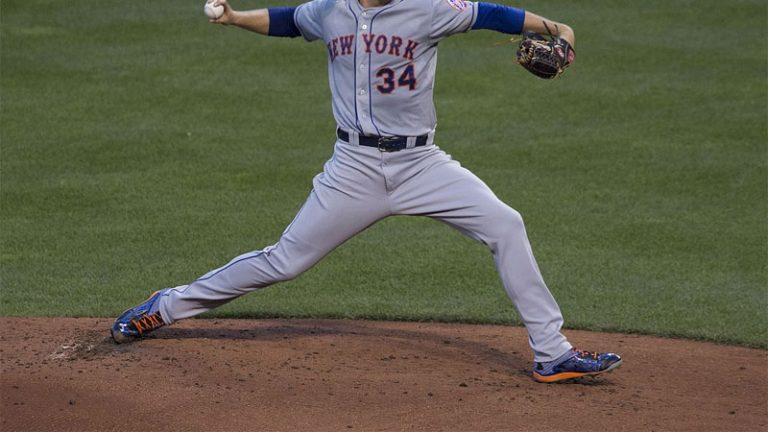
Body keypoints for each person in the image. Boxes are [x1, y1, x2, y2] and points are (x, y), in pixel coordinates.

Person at [111, 0, 622, 383]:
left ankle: (552, 352)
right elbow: (291, 21)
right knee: (285, 261)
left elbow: (494, 14)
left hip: (421, 163)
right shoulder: (331, 10)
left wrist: (559, 28)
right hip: (352, 168)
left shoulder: (430, 9)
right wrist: (236, 17)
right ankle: (168, 305)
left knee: (505, 224)